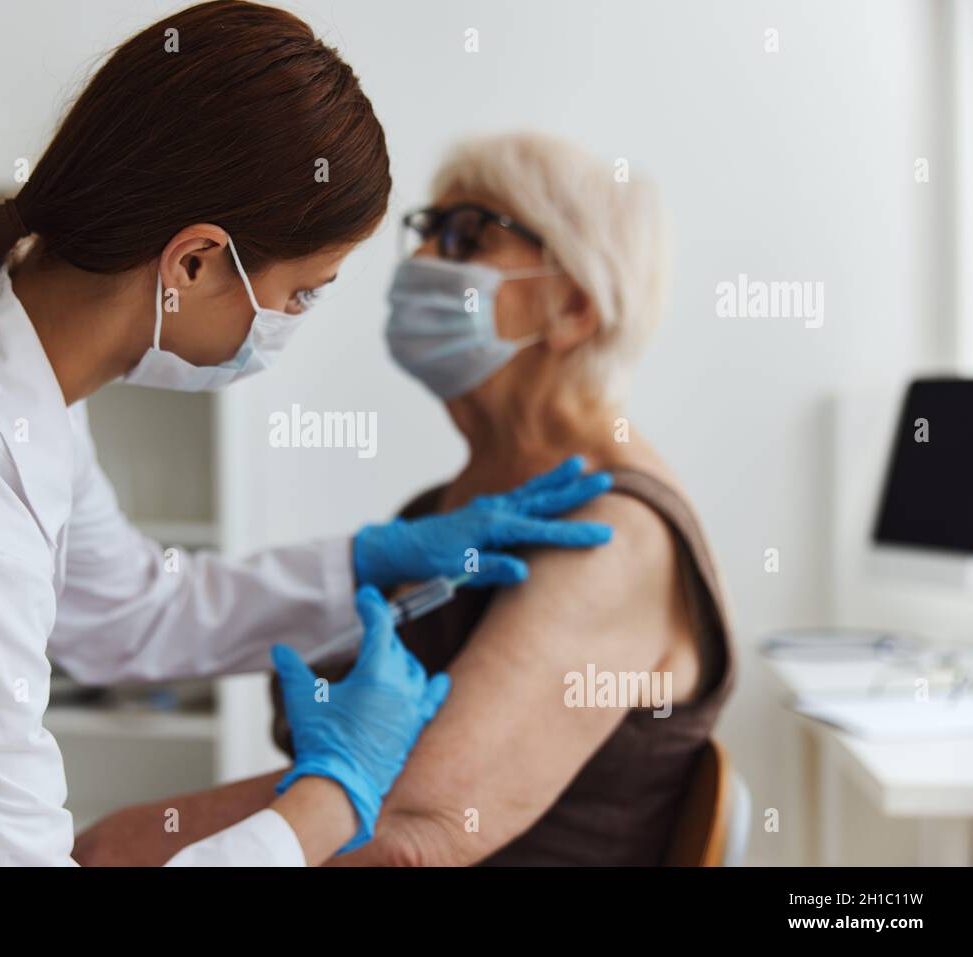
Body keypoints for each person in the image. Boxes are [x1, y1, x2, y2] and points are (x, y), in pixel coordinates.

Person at [0, 5, 612, 866]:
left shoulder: (8, 381)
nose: (293, 319)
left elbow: (129, 614)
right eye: (302, 292)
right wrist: (333, 795)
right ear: (195, 262)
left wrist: (367, 562)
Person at [72, 132, 734, 867]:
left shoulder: (613, 533)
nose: (420, 262)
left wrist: (126, 846)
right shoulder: (446, 510)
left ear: (574, 305)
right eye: (426, 232)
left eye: (466, 236)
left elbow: (409, 835)